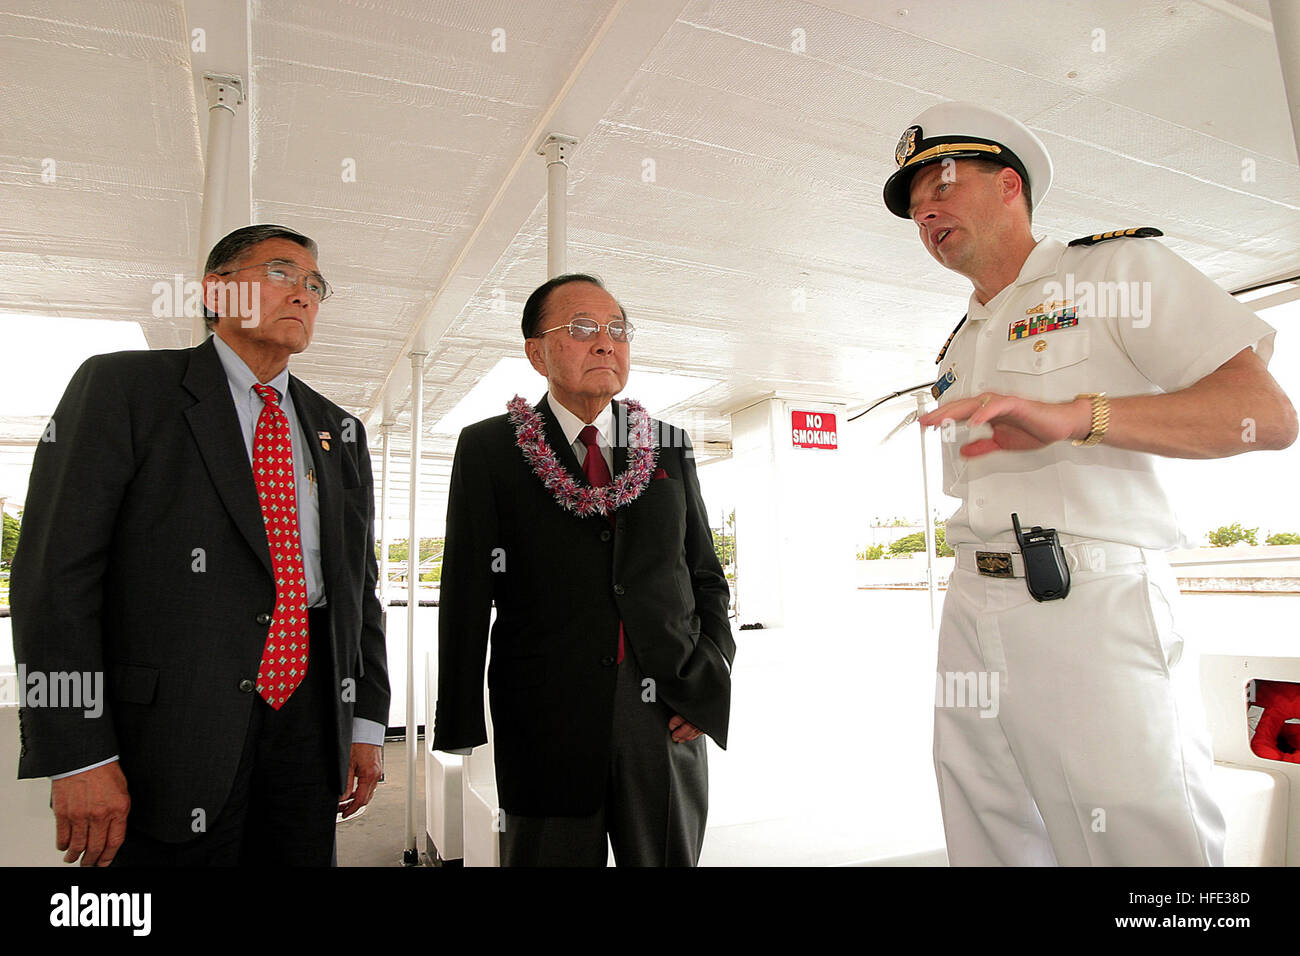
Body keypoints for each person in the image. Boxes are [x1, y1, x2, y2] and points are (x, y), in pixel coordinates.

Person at [882, 101, 1296, 866]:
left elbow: (1264, 416)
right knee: (989, 844)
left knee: (1144, 853)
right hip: (970, 605)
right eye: (913, 206)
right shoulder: (959, 341)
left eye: (942, 184)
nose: (925, 211)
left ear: (1010, 185)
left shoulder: (1112, 273)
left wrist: (1079, 416)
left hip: (1088, 601)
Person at [11, 224, 390, 866]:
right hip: (168, 739)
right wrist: (77, 752)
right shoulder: (124, 388)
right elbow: (54, 577)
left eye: (315, 284)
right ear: (216, 291)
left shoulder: (339, 429)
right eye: (280, 272)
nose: (303, 293)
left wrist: (366, 722)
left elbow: (359, 589)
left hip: (309, 728)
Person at [432, 273, 733, 866]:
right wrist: (458, 721)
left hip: (664, 709)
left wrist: (707, 680)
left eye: (618, 329)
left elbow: (704, 574)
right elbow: (465, 591)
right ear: (536, 353)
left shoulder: (668, 444)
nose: (605, 342)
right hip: (545, 717)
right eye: (582, 328)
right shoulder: (490, 449)